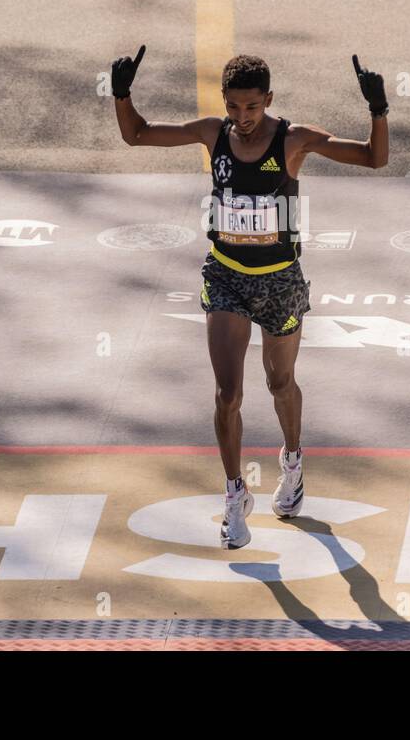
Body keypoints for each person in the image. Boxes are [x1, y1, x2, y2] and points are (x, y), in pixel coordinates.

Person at [111, 47, 389, 548]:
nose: (242, 117)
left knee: (280, 382)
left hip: (280, 282)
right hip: (226, 276)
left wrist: (378, 108)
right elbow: (137, 134)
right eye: (234, 106)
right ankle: (235, 494)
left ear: (269, 100)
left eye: (252, 107)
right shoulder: (212, 133)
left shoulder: (294, 140)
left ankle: (293, 461)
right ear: (223, 100)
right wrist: (121, 93)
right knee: (228, 394)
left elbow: (375, 158)